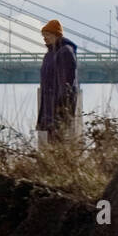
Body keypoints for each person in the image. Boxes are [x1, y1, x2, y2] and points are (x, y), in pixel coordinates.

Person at [37, 19, 79, 148]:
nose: (45, 39)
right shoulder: (49, 55)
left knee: (60, 143)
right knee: (52, 144)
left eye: (47, 35)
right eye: (43, 36)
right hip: (49, 108)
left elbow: (68, 82)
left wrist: (62, 107)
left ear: (57, 34)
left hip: (59, 107)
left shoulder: (66, 52)